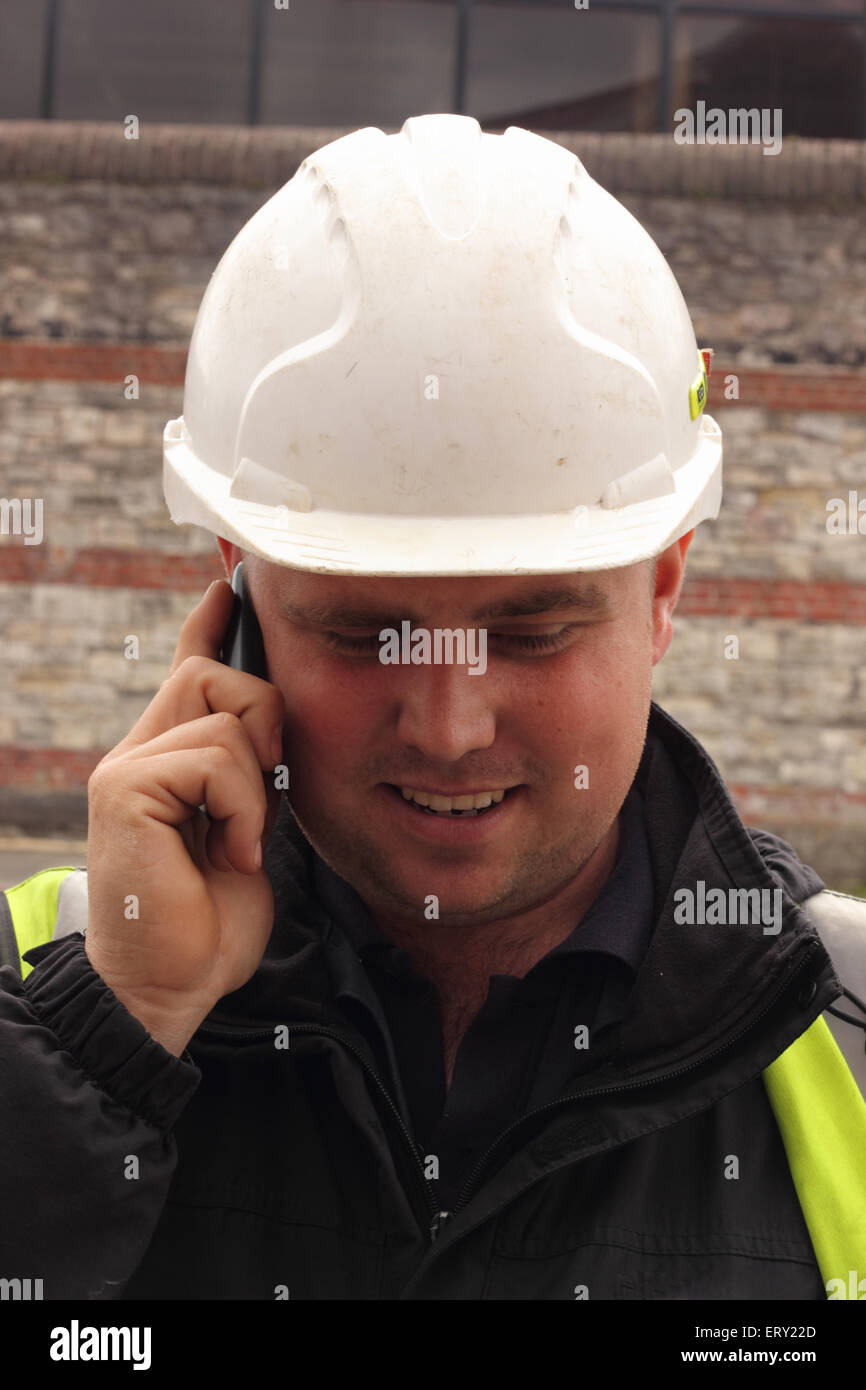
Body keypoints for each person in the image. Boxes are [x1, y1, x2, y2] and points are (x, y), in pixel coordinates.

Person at [1, 114, 864, 1302]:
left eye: (532, 628)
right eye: (362, 632)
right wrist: (110, 1036)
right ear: (236, 595)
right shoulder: (42, 986)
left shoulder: (846, 1037)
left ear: (662, 592)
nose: (449, 726)